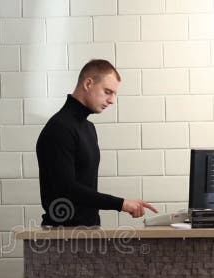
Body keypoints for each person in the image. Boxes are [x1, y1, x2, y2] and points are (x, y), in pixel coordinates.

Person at [36, 59, 158, 227]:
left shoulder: (89, 128)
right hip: (61, 235)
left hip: (89, 230)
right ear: (88, 84)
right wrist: (121, 204)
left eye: (114, 94)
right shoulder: (60, 128)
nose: (112, 100)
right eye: (107, 92)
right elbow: (66, 188)